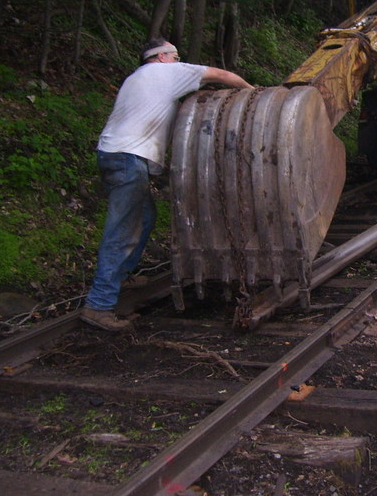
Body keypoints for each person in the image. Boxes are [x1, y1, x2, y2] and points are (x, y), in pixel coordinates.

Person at [81, 38, 253, 331]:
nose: (178, 60)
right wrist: (254, 93)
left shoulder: (137, 78)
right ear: (161, 56)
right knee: (122, 230)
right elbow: (222, 76)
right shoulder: (166, 72)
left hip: (114, 154)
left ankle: (121, 274)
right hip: (128, 158)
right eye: (175, 55)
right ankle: (99, 305)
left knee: (144, 218)